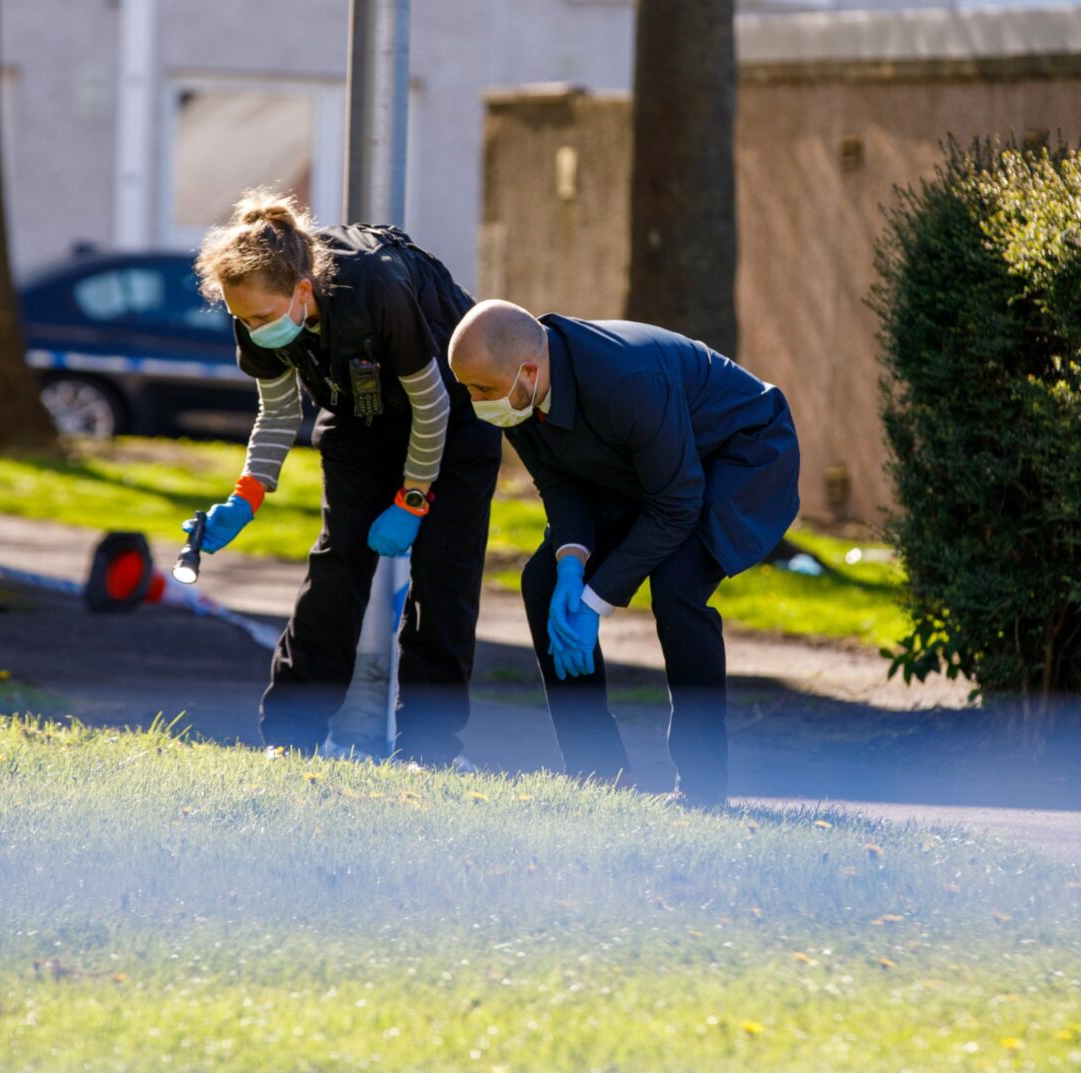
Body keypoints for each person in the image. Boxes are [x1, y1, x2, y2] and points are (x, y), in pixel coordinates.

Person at [188, 193, 501, 764]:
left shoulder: (377, 286)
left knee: (444, 586)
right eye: (242, 320)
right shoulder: (255, 312)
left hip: (454, 425)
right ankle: (291, 739)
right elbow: (280, 411)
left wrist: (411, 500)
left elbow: (432, 406)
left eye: (260, 318)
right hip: (358, 425)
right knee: (337, 571)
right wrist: (246, 495)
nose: (253, 330)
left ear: (303, 291)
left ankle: (428, 752)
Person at [448, 300, 800, 805]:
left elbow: (678, 505)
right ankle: (598, 778)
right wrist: (572, 568)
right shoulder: (516, 395)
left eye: (480, 390)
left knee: (678, 586)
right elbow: (562, 487)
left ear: (527, 371)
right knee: (544, 582)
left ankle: (702, 792)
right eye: (468, 389)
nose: (475, 401)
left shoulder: (626, 381)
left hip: (741, 456)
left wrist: (596, 600)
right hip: (649, 472)